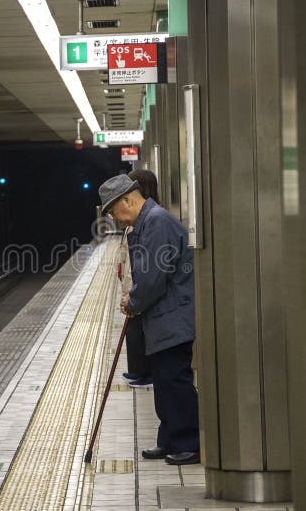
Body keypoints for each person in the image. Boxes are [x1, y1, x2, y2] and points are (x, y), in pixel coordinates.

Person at [98, 173, 200, 466]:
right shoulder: (146, 223)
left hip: (173, 316)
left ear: (128, 199)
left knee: (174, 380)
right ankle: (169, 438)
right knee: (164, 381)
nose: (116, 218)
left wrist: (134, 300)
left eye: (114, 210)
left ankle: (189, 442)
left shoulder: (156, 222)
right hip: (163, 317)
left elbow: (154, 277)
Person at [118, 169, 158, 388]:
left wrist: (133, 295)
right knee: (135, 329)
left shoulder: (152, 221)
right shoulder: (140, 219)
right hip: (133, 285)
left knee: (139, 329)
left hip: (139, 287)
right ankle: (138, 371)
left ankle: (144, 372)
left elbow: (146, 265)